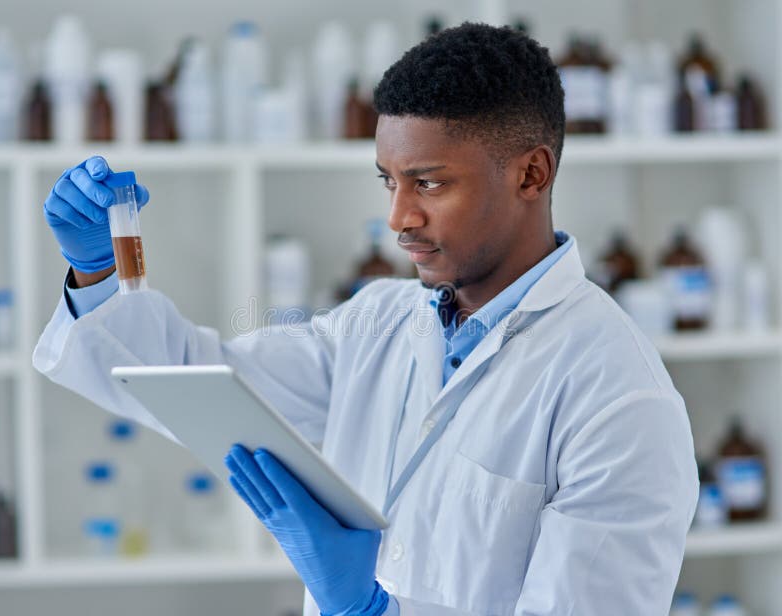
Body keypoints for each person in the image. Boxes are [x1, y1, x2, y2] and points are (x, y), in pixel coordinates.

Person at [34, 23, 698, 616]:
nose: (399, 217)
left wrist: (372, 609)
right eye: (389, 181)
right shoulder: (380, 322)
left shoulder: (618, 397)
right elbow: (199, 386)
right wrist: (97, 273)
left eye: (430, 183)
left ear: (531, 174)